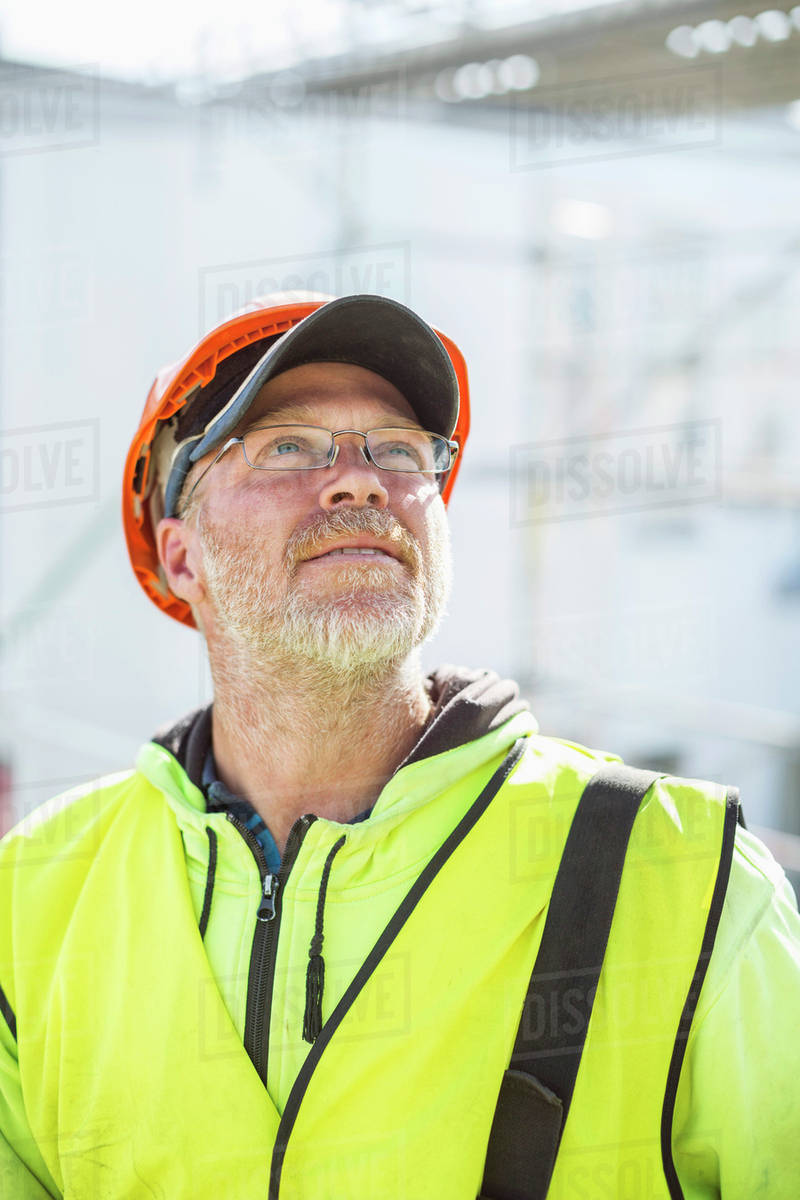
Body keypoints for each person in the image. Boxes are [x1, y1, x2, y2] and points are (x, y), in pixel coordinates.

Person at [0, 291, 798, 1200]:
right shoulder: (34, 898)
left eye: (399, 449)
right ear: (184, 559)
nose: (361, 482)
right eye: (287, 446)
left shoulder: (684, 874)